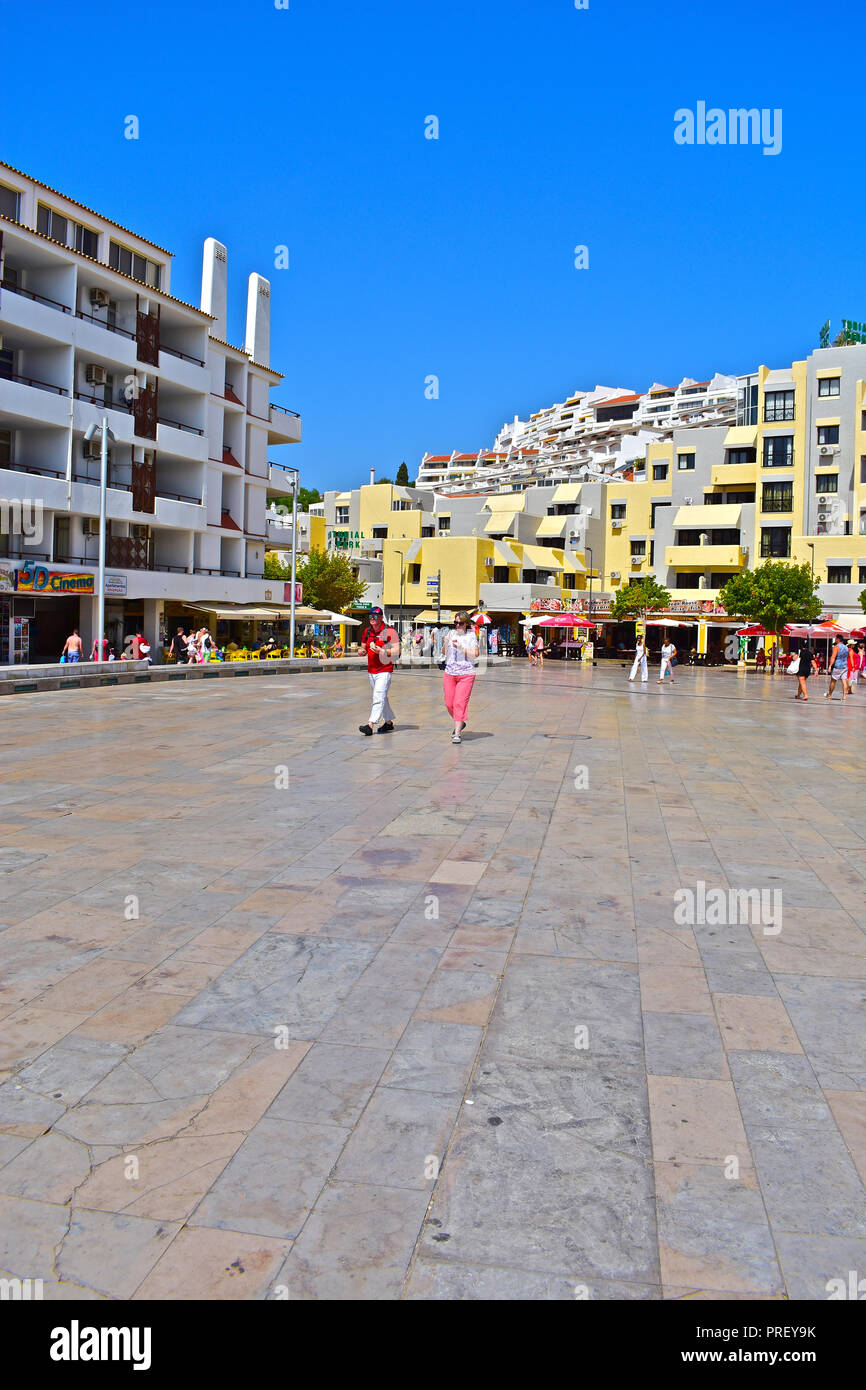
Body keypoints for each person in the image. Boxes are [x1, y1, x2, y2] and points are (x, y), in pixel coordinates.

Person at [359, 606, 399, 735]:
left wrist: (382, 651)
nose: (372, 618)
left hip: (385, 669)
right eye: (370, 616)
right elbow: (363, 646)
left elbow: (397, 651)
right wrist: (362, 651)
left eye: (375, 616)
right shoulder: (367, 631)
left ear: (381, 618)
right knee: (382, 697)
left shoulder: (390, 631)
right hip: (372, 670)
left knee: (378, 695)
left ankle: (370, 725)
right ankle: (388, 723)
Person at [442, 611, 479, 744]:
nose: (457, 625)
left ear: (466, 624)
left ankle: (457, 733)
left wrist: (461, 648)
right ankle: (460, 721)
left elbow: (475, 654)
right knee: (448, 703)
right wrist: (445, 643)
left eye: (460, 623)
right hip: (450, 672)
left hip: (466, 673)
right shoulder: (451, 633)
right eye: (455, 623)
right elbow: (443, 652)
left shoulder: (471, 635)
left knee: (459, 703)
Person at [825, 636, 849, 701]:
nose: (835, 640)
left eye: (835, 639)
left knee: (833, 681)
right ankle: (844, 696)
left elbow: (833, 657)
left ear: (838, 639)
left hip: (838, 666)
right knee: (844, 681)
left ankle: (830, 695)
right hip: (845, 666)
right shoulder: (846, 647)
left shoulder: (836, 647)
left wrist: (830, 666)